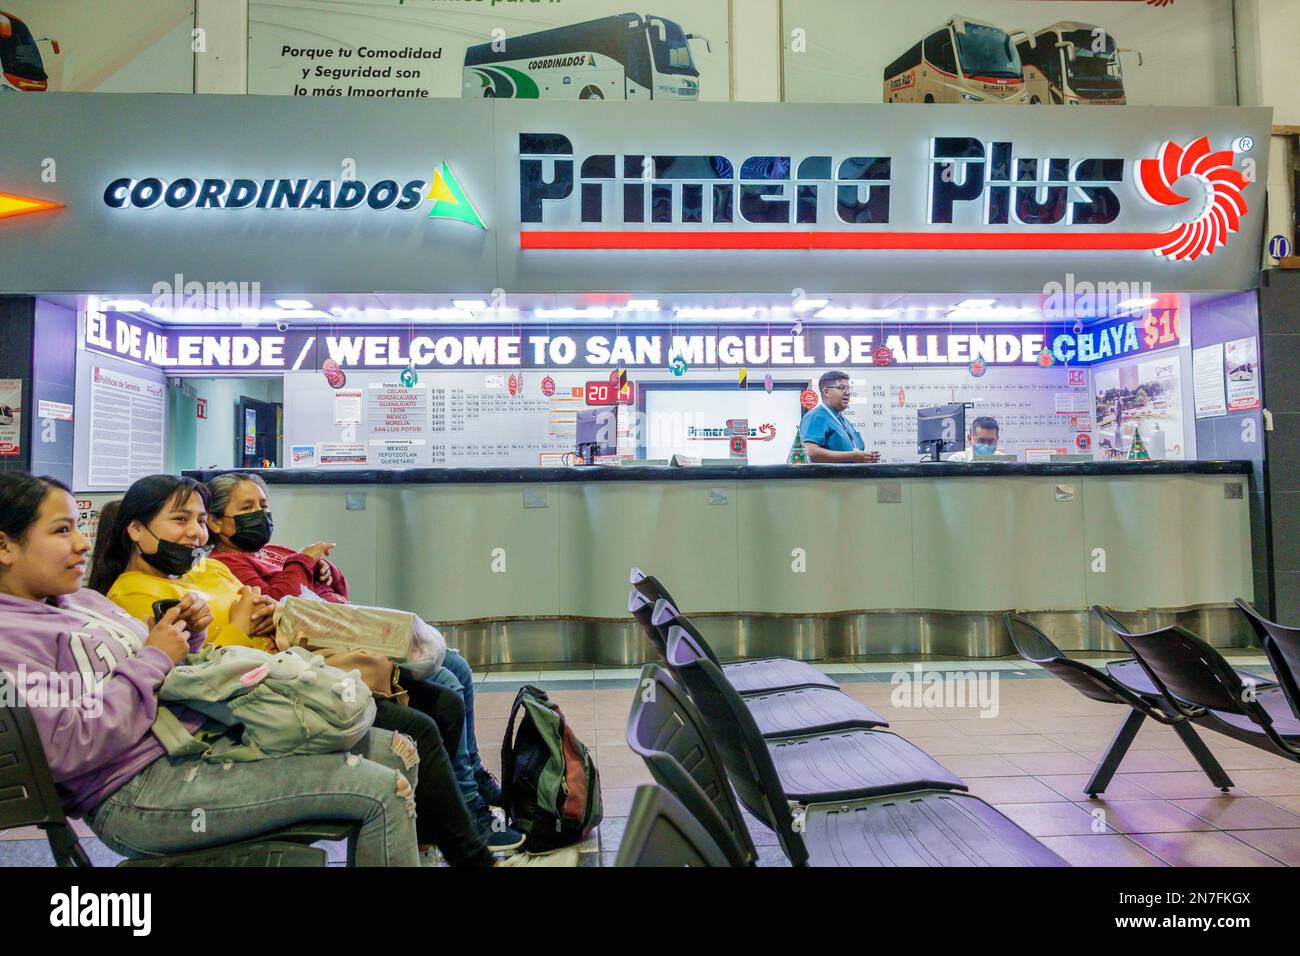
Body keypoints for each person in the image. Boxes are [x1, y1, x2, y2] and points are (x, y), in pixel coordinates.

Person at [0, 472, 422, 866]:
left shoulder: (82, 602)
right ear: (4, 546)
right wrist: (156, 656)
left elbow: (170, 672)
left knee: (398, 752)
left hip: (197, 740)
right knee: (383, 791)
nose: (82, 544)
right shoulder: (12, 637)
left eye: (77, 527)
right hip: (136, 789)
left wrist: (187, 636)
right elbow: (68, 748)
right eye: (61, 530)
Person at [87, 473, 503, 864]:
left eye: (198, 520)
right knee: (420, 728)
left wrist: (270, 611)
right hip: (254, 711)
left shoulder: (206, 569)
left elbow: (271, 607)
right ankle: (469, 850)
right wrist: (240, 623)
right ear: (136, 530)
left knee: (443, 699)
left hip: (296, 675)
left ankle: (439, 831)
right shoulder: (134, 595)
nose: (196, 533)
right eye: (181, 520)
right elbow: (199, 678)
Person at [201, 472, 508, 842]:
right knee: (444, 686)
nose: (260, 515)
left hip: (349, 635)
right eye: (246, 508)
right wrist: (302, 565)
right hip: (326, 659)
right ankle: (464, 802)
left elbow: (328, 594)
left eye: (264, 506)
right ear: (216, 522)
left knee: (455, 664)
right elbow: (279, 605)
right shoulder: (228, 565)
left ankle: (472, 773)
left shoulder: (275, 552)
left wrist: (327, 574)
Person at [799, 369, 882, 463]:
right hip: (831, 477)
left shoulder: (843, 420)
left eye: (849, 388)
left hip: (850, 476)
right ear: (826, 392)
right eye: (842, 388)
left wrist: (865, 458)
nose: (848, 393)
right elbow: (811, 452)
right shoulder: (816, 416)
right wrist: (853, 456)